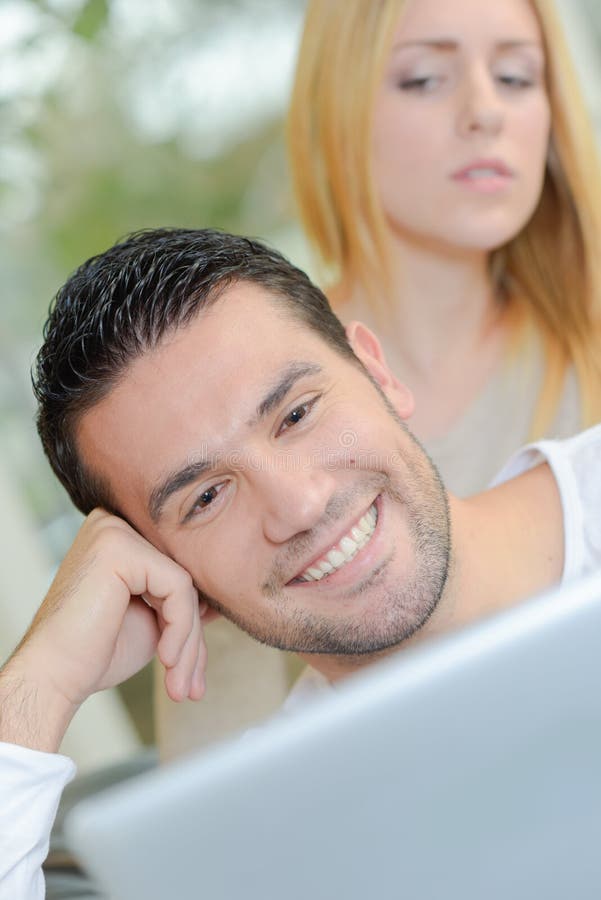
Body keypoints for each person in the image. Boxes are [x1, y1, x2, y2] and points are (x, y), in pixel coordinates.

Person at [0, 228, 599, 899]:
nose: (299, 504)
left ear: (377, 373)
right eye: (206, 497)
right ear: (172, 575)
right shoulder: (270, 844)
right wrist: (41, 683)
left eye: (295, 414)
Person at [288, 0, 601, 494]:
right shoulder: (271, 386)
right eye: (424, 79)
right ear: (335, 106)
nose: (485, 111)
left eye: (515, 77)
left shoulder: (587, 348)